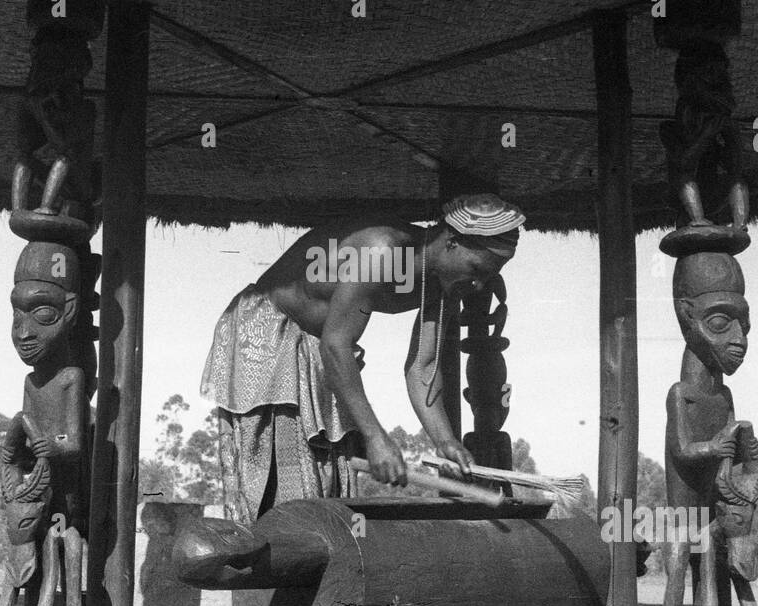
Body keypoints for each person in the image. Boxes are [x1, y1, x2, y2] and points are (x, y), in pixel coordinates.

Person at [201, 194, 525, 521]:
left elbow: (422, 368)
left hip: (320, 346)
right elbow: (337, 345)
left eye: (489, 275)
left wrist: (445, 441)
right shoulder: (383, 251)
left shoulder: (445, 284)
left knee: (327, 487)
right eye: (477, 269)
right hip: (268, 334)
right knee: (287, 499)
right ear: (452, 242)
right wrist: (375, 437)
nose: (479, 283)